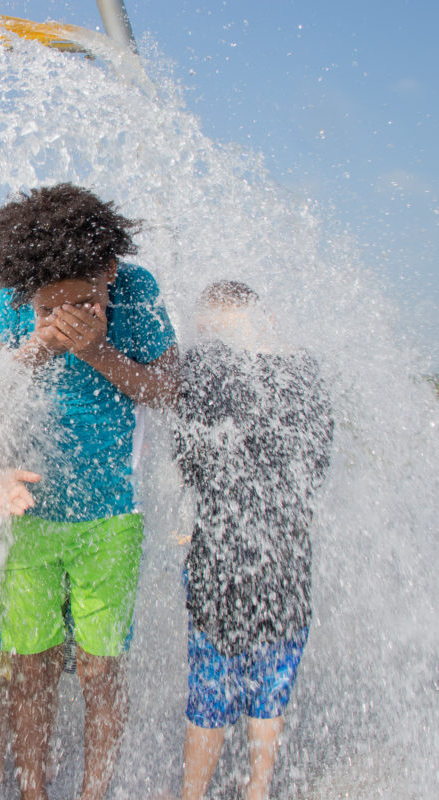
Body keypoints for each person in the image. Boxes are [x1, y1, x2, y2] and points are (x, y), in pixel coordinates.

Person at [0, 184, 178, 800]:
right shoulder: (15, 297)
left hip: (112, 516)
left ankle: (96, 791)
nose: (66, 317)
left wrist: (96, 350)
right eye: (48, 309)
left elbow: (167, 390)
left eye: (85, 302)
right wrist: (38, 342)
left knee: (99, 668)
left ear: (110, 270)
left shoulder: (136, 290)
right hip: (29, 514)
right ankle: (32, 790)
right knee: (30, 666)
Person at [173, 281, 333, 800]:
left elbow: (191, 456)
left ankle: (192, 794)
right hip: (287, 555)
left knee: (211, 687)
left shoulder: (205, 365)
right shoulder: (303, 367)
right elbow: (318, 457)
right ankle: (258, 789)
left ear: (214, 319)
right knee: (272, 681)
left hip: (221, 553)